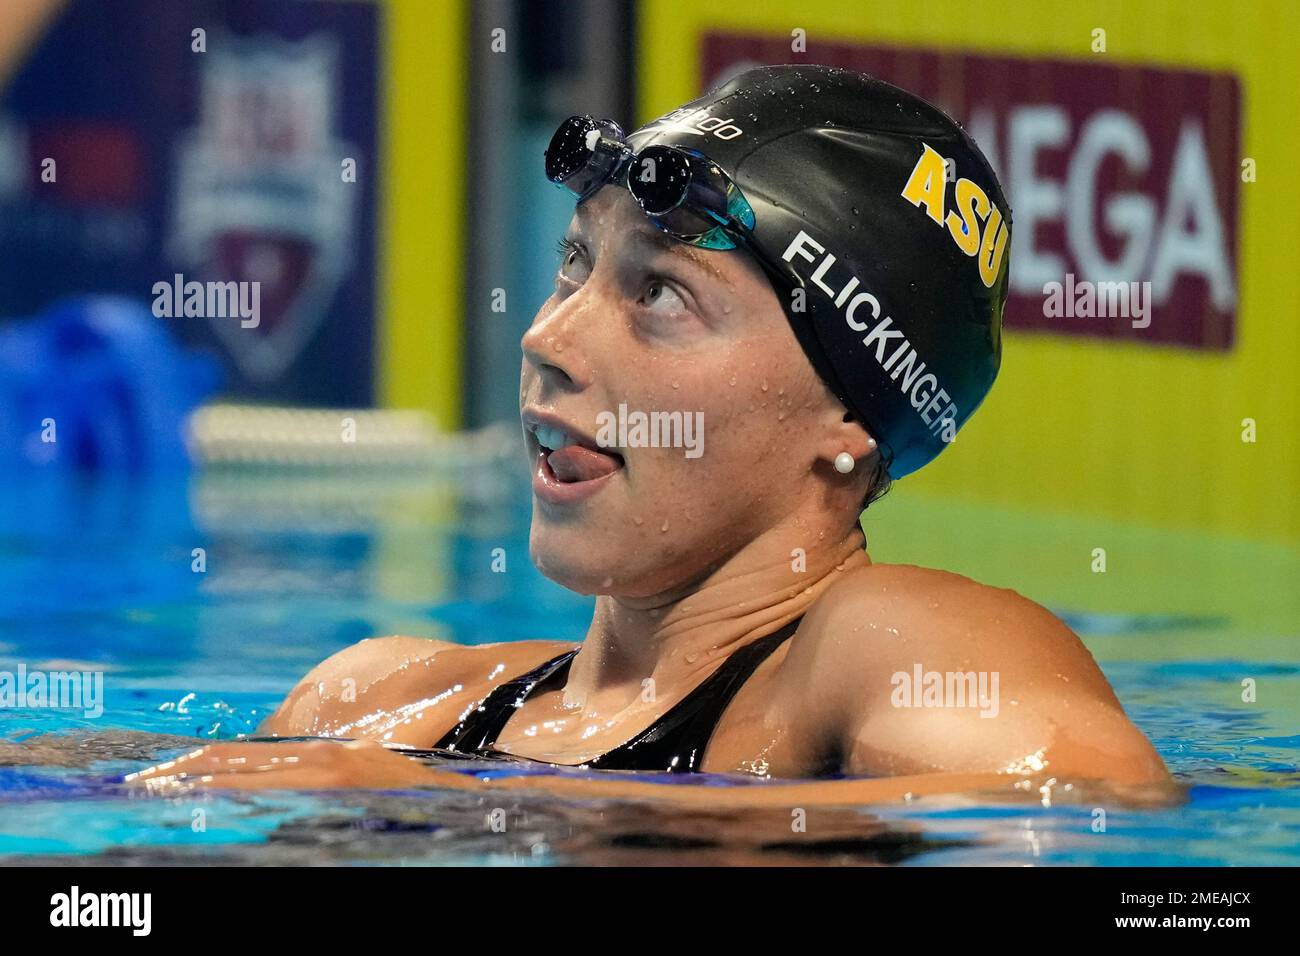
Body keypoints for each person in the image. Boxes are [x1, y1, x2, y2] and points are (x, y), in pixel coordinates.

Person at [130, 65, 1172, 806]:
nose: (548, 335)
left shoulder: (891, 645)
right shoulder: (382, 699)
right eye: (576, 263)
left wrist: (478, 806)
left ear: (851, 418)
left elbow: (1082, 803)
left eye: (661, 292)